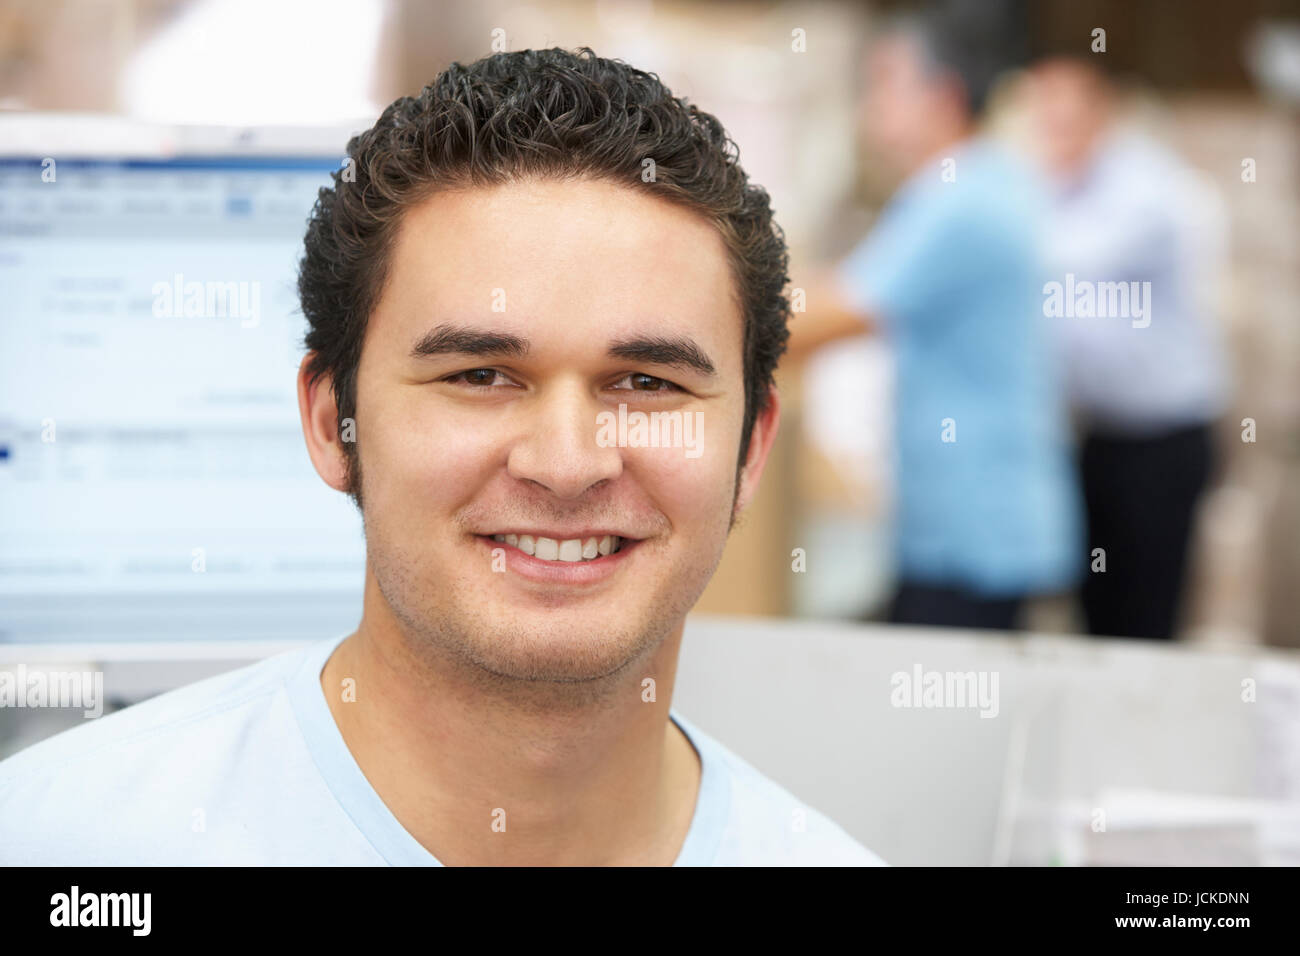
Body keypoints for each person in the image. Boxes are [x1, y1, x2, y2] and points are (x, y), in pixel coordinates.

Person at [0, 48, 884, 866]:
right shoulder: (65, 842)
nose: (568, 464)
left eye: (648, 383)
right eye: (483, 374)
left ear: (752, 446)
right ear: (330, 422)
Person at [788, 14, 1082, 631]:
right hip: (973, 516)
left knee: (949, 708)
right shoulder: (975, 181)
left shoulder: (958, 198)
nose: (870, 106)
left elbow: (828, 315)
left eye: (886, 83)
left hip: (973, 531)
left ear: (942, 94)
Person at [1026, 56, 1229, 639]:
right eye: (1044, 105)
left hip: (1164, 439)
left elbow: (1064, 262)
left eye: (1068, 104)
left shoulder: (1146, 185)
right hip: (1100, 433)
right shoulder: (1051, 188)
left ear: (1100, 109)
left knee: (1147, 617)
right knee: (1096, 612)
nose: (1054, 119)